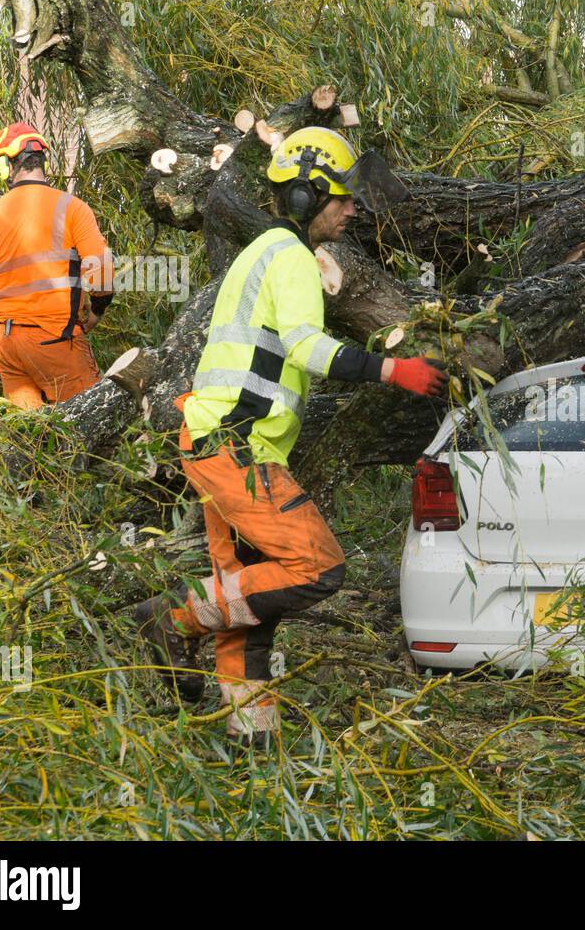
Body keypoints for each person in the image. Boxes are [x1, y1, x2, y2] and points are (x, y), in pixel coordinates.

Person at [133, 127, 447, 747]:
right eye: (343, 198)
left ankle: (251, 743)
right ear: (306, 198)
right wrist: (393, 369)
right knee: (316, 567)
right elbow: (306, 349)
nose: (353, 209)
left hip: (222, 443)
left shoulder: (265, 251)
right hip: (236, 448)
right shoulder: (291, 257)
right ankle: (166, 619)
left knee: (246, 606)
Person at [0, 122, 113, 408]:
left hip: (5, 340)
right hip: (54, 339)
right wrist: (98, 309)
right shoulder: (71, 208)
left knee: (31, 435)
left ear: (5, 166)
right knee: (88, 418)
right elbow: (100, 270)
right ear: (43, 161)